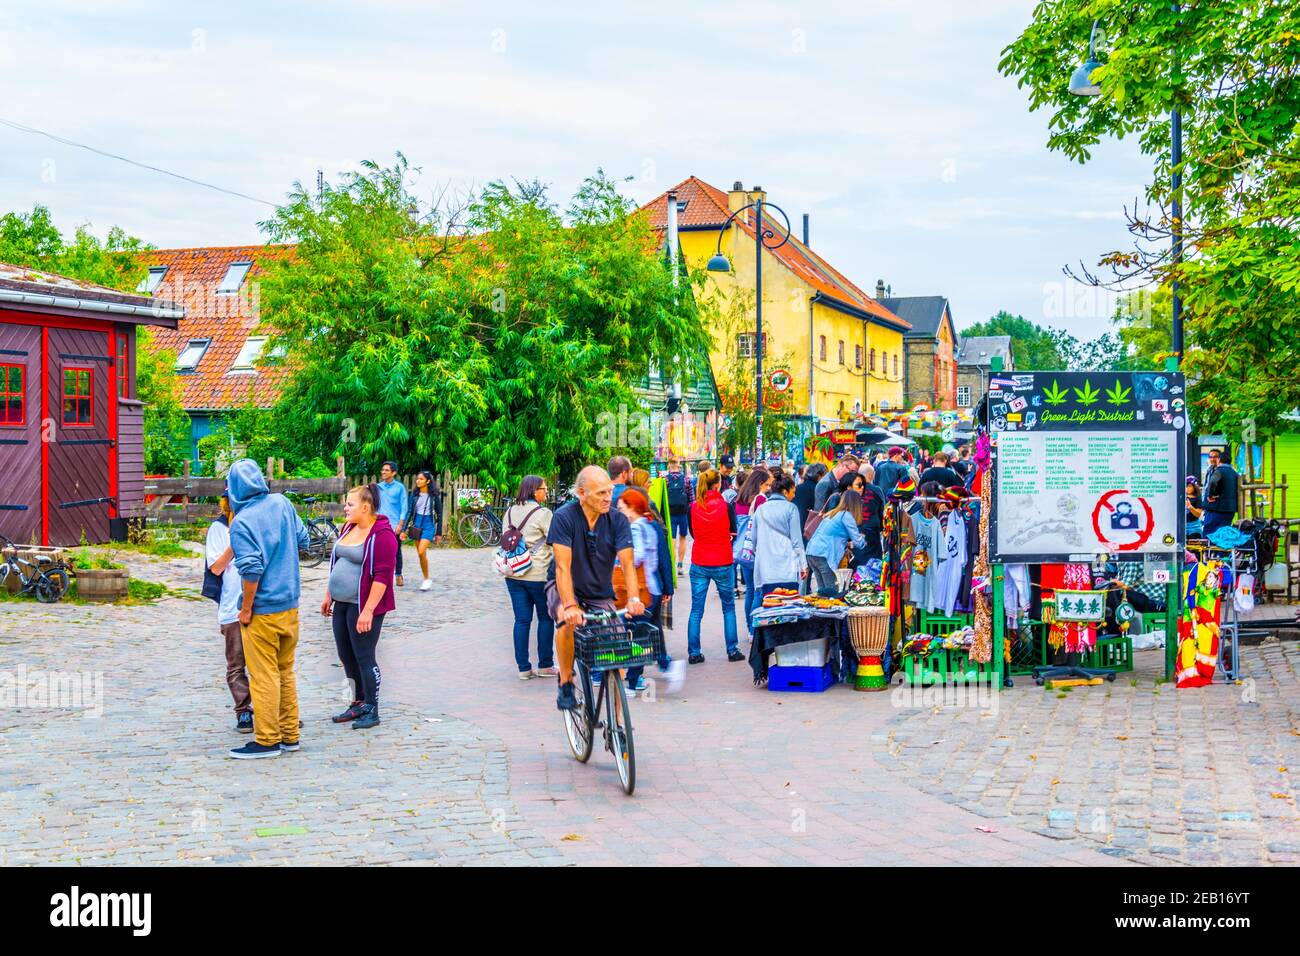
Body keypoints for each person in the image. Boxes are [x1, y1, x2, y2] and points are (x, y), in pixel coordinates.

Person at [225, 458, 310, 759]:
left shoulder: (241, 522)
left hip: (262, 611)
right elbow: (304, 538)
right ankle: (290, 735)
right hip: (290, 606)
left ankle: (267, 740)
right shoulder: (282, 503)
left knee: (263, 676)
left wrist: (246, 609)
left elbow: (251, 570)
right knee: (285, 671)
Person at [547, 467, 644, 712]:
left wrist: (633, 598)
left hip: (599, 590)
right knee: (565, 620)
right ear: (582, 493)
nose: (607, 498)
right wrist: (569, 605)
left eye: (609, 492)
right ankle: (566, 681)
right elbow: (562, 567)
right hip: (565, 586)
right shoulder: (564, 517)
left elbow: (628, 564)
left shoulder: (617, 520)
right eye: (600, 493)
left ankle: (619, 728)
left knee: (620, 649)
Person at [322, 483, 396, 730]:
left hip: (363, 605)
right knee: (346, 656)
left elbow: (383, 578)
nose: (345, 507)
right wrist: (328, 594)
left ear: (366, 507)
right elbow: (337, 563)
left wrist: (367, 611)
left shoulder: (382, 535)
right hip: (341, 603)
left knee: (364, 657)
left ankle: (372, 707)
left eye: (350, 504)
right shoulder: (349, 527)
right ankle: (357, 702)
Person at [617, 488, 678, 692]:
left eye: (622, 507)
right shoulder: (650, 523)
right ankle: (666, 665)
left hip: (642, 591)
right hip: (653, 588)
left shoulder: (635, 527)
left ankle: (634, 681)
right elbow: (661, 556)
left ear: (632, 507)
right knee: (651, 632)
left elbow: (635, 557)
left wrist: (618, 559)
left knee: (638, 636)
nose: (619, 511)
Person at [205, 495, 252, 733]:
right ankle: (244, 711)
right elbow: (216, 567)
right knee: (236, 663)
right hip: (232, 606)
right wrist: (236, 543)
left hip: (260, 604)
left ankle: (274, 711)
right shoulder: (219, 528)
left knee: (265, 663)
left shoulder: (257, 522)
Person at [502, 475, 556, 681]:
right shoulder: (544, 513)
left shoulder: (509, 511)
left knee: (521, 620)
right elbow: (554, 539)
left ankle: (523, 668)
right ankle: (545, 665)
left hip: (513, 572)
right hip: (538, 574)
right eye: (544, 488)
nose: (546, 491)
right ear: (535, 491)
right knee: (545, 618)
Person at [686, 468, 742, 664]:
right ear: (718, 484)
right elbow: (734, 532)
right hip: (722, 560)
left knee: (696, 609)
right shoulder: (726, 507)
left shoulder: (693, 507)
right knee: (728, 607)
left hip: (700, 560)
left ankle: (694, 653)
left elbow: (692, 533)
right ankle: (732, 650)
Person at [753, 473, 808, 600]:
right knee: (788, 607)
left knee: (770, 606)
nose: (794, 496)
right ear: (784, 492)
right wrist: (803, 564)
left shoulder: (760, 509)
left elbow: (753, 540)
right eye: (792, 492)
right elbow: (796, 541)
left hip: (766, 570)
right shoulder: (791, 508)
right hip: (787, 567)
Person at [733, 466, 773, 636]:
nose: (770, 488)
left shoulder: (739, 498)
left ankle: (750, 628)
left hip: (743, 550)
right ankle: (754, 630)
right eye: (768, 484)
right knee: (758, 590)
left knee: (750, 589)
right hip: (756, 550)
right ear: (760, 484)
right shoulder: (760, 500)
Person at [806, 490, 867, 594]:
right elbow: (858, 542)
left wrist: (848, 543)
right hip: (824, 554)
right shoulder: (846, 516)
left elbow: (833, 536)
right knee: (831, 592)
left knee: (822, 591)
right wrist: (864, 539)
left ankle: (821, 609)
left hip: (812, 552)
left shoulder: (833, 513)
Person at [400, 470, 442, 591]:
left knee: (421, 551)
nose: (418, 481)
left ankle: (427, 579)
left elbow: (439, 513)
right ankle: (426, 579)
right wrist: (403, 530)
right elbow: (409, 512)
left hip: (428, 524)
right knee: (421, 554)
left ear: (428, 481)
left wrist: (438, 533)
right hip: (417, 524)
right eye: (417, 479)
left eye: (421, 479)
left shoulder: (434, 496)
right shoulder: (414, 495)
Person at [377, 461, 409, 587]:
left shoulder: (400, 488)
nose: (383, 472)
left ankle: (398, 574)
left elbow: (404, 507)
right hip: (380, 524)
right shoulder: (378, 487)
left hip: (394, 525)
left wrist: (400, 525)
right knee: (380, 551)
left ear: (393, 473)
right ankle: (381, 576)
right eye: (382, 470)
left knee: (396, 551)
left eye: (386, 470)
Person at [663, 456, 695, 573]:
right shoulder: (686, 479)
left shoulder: (664, 480)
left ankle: (671, 564)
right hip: (683, 513)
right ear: (679, 465)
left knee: (671, 539)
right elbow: (692, 500)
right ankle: (680, 566)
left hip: (670, 514)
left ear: (669, 465)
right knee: (682, 538)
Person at [1202, 448, 1239, 535]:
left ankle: (1212, 549)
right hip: (1229, 509)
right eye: (1210, 457)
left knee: (1210, 534)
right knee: (1223, 534)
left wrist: (1210, 496)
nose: (1213, 459)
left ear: (1219, 459)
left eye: (1215, 457)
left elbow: (1213, 482)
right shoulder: (1234, 473)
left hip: (1216, 508)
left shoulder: (1219, 471)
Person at [794, 462, 825, 532]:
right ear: (819, 475)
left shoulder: (797, 488)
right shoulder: (818, 490)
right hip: (810, 529)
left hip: (796, 527)